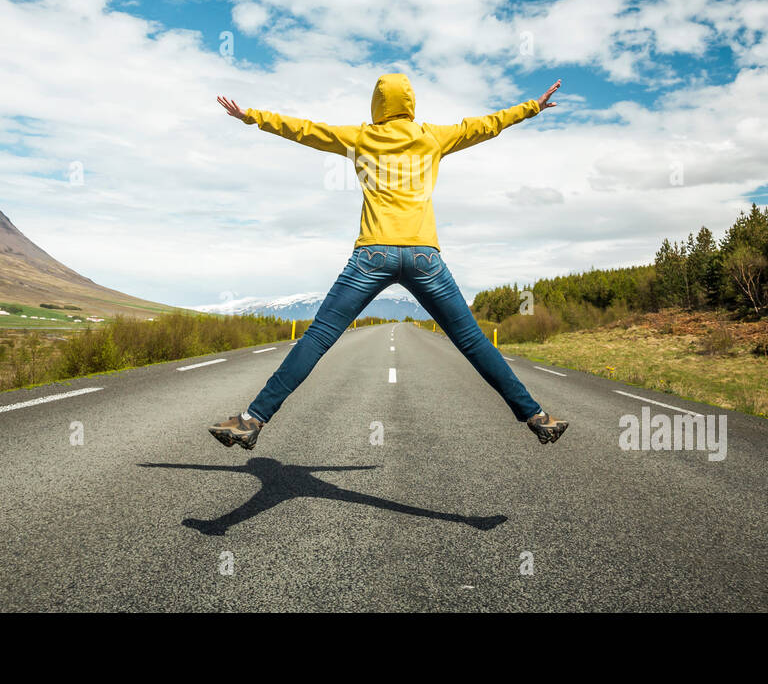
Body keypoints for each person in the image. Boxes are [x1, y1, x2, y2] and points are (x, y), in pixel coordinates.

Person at [209, 72, 568, 449]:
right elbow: (484, 125)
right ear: (410, 104)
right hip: (424, 255)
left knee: (317, 338)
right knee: (473, 341)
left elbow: (305, 130)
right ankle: (535, 415)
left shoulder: (362, 137)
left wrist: (252, 116)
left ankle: (253, 419)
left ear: (377, 105)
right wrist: (532, 108)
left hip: (372, 254)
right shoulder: (432, 136)